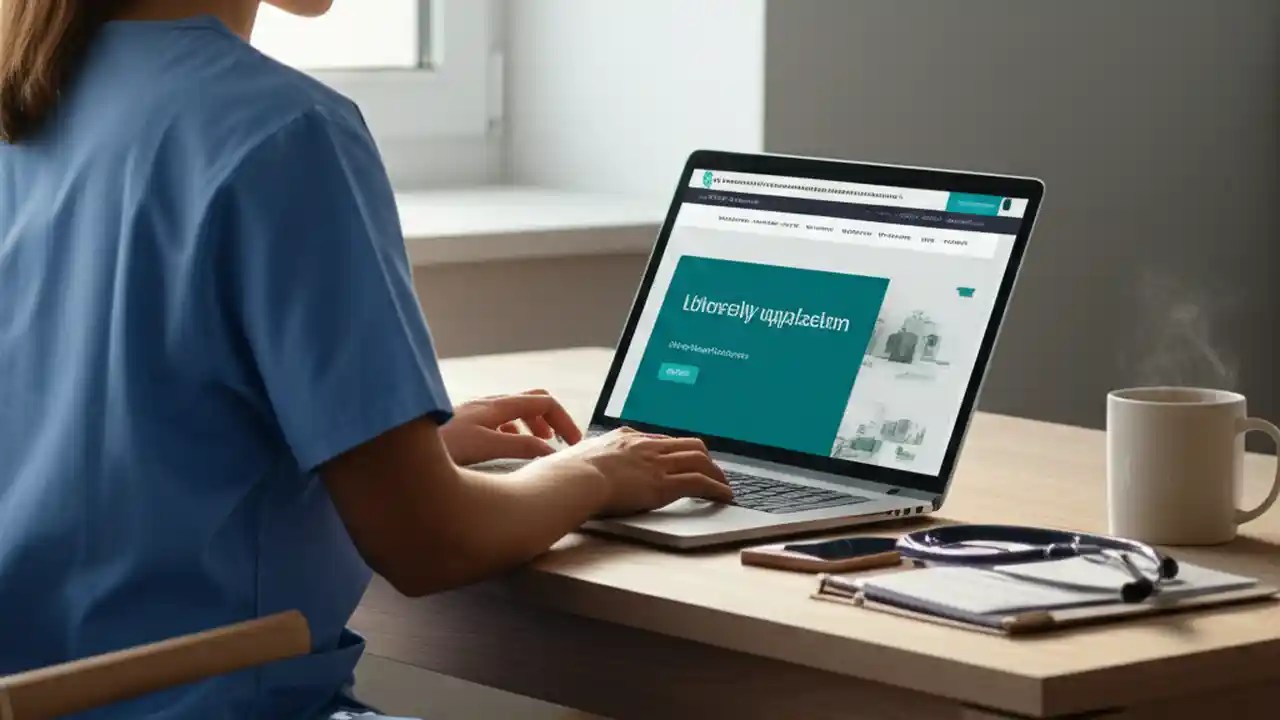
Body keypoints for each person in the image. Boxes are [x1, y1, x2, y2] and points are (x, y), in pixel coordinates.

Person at [0, 1, 733, 717]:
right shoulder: (286, 130)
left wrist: (390, 452)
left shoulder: (27, 104)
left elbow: (103, 449)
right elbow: (431, 543)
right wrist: (591, 473)